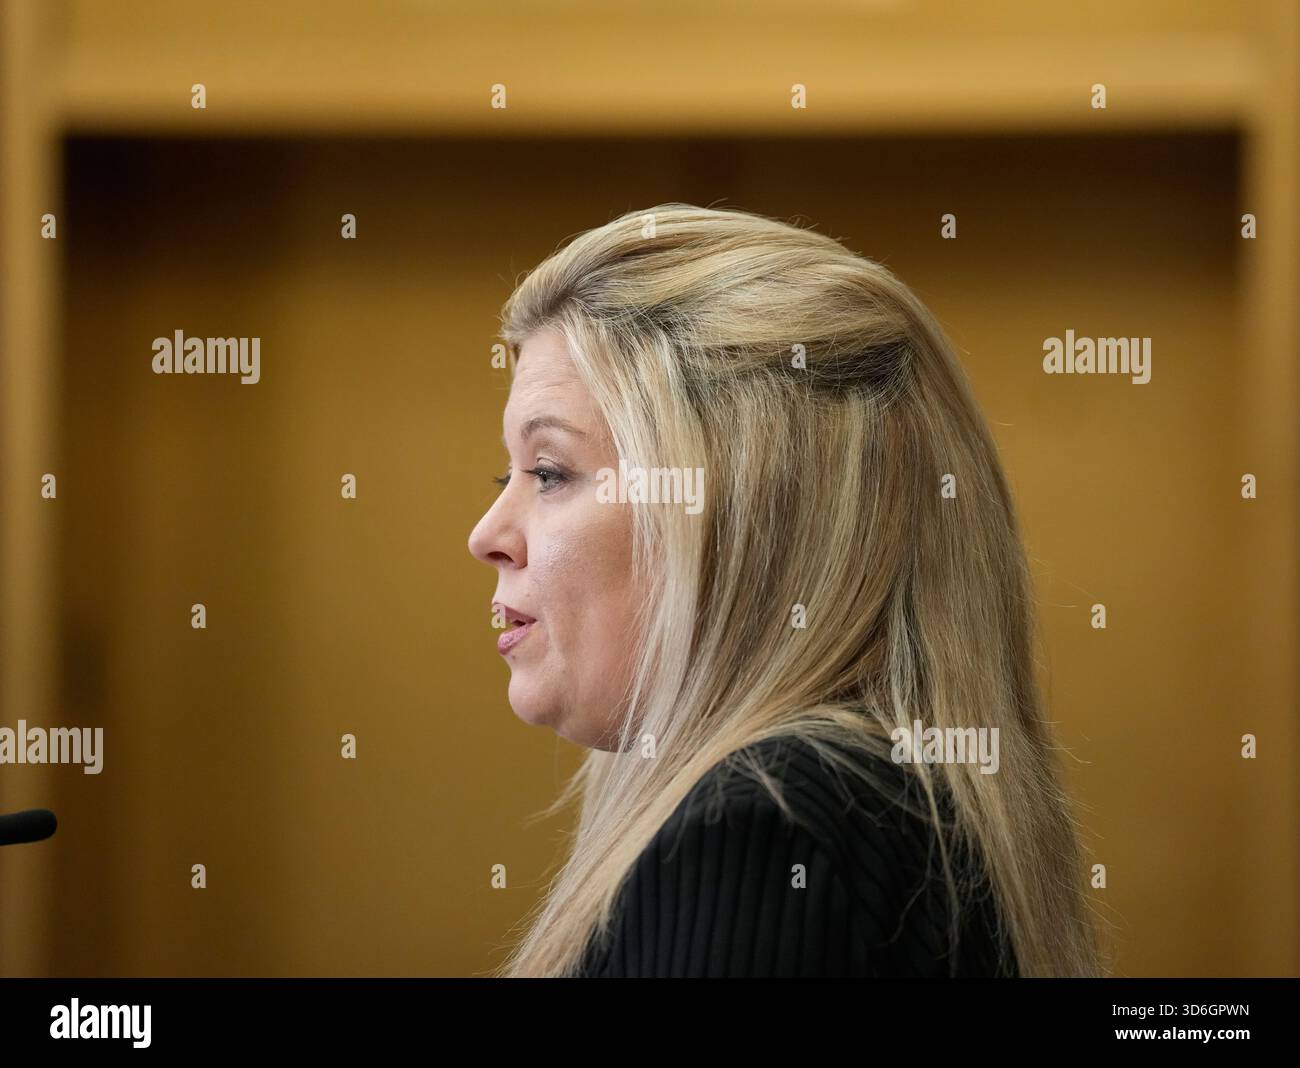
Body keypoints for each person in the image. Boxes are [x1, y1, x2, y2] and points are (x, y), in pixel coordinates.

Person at [467, 203, 1103, 977]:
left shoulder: (771, 823)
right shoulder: (873, 804)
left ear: (745, 509)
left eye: (550, 472)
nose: (488, 535)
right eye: (510, 475)